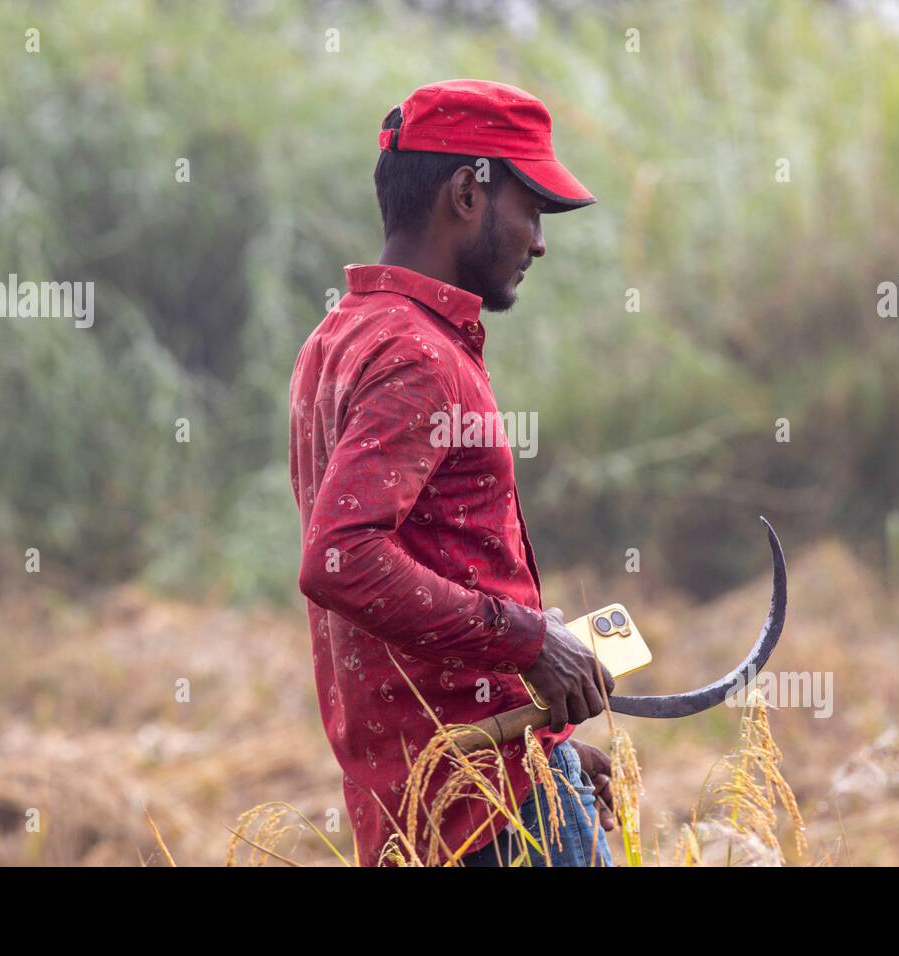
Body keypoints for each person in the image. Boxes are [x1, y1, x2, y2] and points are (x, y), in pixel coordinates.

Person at [289, 79, 614, 867]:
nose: (539, 240)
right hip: (490, 813)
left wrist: (552, 744)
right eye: (531, 208)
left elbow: (425, 568)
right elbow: (344, 558)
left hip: (435, 801)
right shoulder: (419, 356)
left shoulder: (341, 336)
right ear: (468, 193)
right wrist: (532, 640)